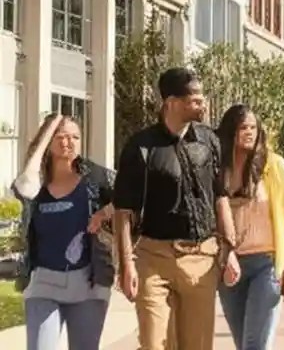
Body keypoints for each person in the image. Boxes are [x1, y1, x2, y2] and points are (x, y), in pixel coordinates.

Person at [114, 67, 240, 350]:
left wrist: (229, 249)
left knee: (197, 345)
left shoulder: (210, 141)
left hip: (201, 257)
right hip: (153, 257)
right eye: (194, 99)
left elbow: (220, 196)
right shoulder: (141, 147)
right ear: (171, 102)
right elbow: (124, 210)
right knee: (153, 342)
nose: (202, 103)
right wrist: (126, 264)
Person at [12, 114, 115, 349]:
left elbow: (132, 196)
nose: (68, 142)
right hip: (43, 283)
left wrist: (104, 212)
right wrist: (48, 130)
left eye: (75, 137)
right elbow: (24, 187)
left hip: (89, 284)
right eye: (61, 136)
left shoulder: (96, 179)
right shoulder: (36, 183)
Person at [215, 104, 284, 349]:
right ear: (230, 131)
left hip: (267, 264)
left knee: (255, 344)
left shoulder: (275, 167)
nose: (250, 133)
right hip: (229, 265)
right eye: (243, 127)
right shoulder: (219, 170)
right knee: (242, 342)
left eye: (253, 127)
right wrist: (226, 252)